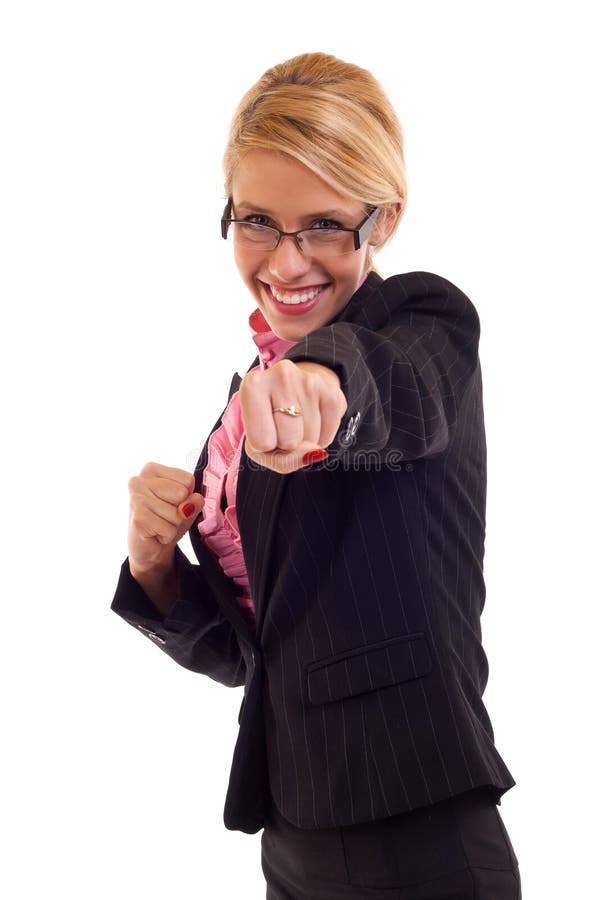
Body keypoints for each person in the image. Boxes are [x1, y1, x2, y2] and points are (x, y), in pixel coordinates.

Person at [111, 52, 521, 899]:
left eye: (326, 225)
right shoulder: (242, 410)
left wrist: (327, 389)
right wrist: (154, 568)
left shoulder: (420, 321)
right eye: (258, 220)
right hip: (292, 830)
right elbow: (250, 654)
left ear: (385, 220)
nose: (286, 261)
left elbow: (395, 391)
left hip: (415, 822)